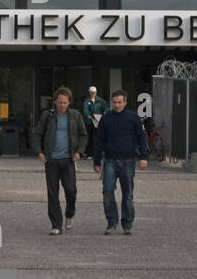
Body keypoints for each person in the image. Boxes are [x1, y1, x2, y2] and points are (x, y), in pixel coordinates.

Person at [92, 89, 148, 234]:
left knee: (128, 194)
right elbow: (99, 140)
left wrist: (144, 157)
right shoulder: (106, 118)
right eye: (114, 102)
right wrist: (96, 161)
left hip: (128, 161)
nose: (117, 105)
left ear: (125, 102)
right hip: (110, 161)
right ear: (111, 102)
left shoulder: (134, 118)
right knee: (107, 191)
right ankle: (112, 221)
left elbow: (142, 138)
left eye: (119, 102)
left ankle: (127, 223)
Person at [34, 86, 87, 235]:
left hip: (68, 159)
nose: (61, 105)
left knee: (71, 190)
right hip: (51, 160)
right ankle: (56, 224)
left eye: (64, 102)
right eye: (59, 102)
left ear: (69, 102)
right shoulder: (48, 116)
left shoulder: (75, 116)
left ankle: (70, 213)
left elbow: (83, 135)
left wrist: (79, 152)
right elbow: (37, 134)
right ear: (55, 102)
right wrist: (39, 152)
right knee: (52, 193)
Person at [82, 86, 105, 158]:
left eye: (94, 93)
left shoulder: (100, 101)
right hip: (89, 122)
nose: (93, 94)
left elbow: (106, 107)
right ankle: (89, 153)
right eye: (91, 93)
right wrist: (88, 115)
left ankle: (97, 152)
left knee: (97, 137)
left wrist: (105, 112)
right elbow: (85, 109)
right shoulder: (87, 101)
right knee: (89, 137)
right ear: (89, 93)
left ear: (96, 93)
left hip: (97, 121)